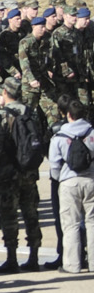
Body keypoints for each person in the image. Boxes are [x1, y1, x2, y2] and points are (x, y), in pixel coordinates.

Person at [49, 101, 93, 272]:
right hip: (91, 179)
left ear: (68, 115)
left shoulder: (59, 136)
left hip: (69, 181)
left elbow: (54, 165)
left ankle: (72, 264)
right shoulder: (92, 132)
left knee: (70, 224)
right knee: (92, 222)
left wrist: (60, 179)